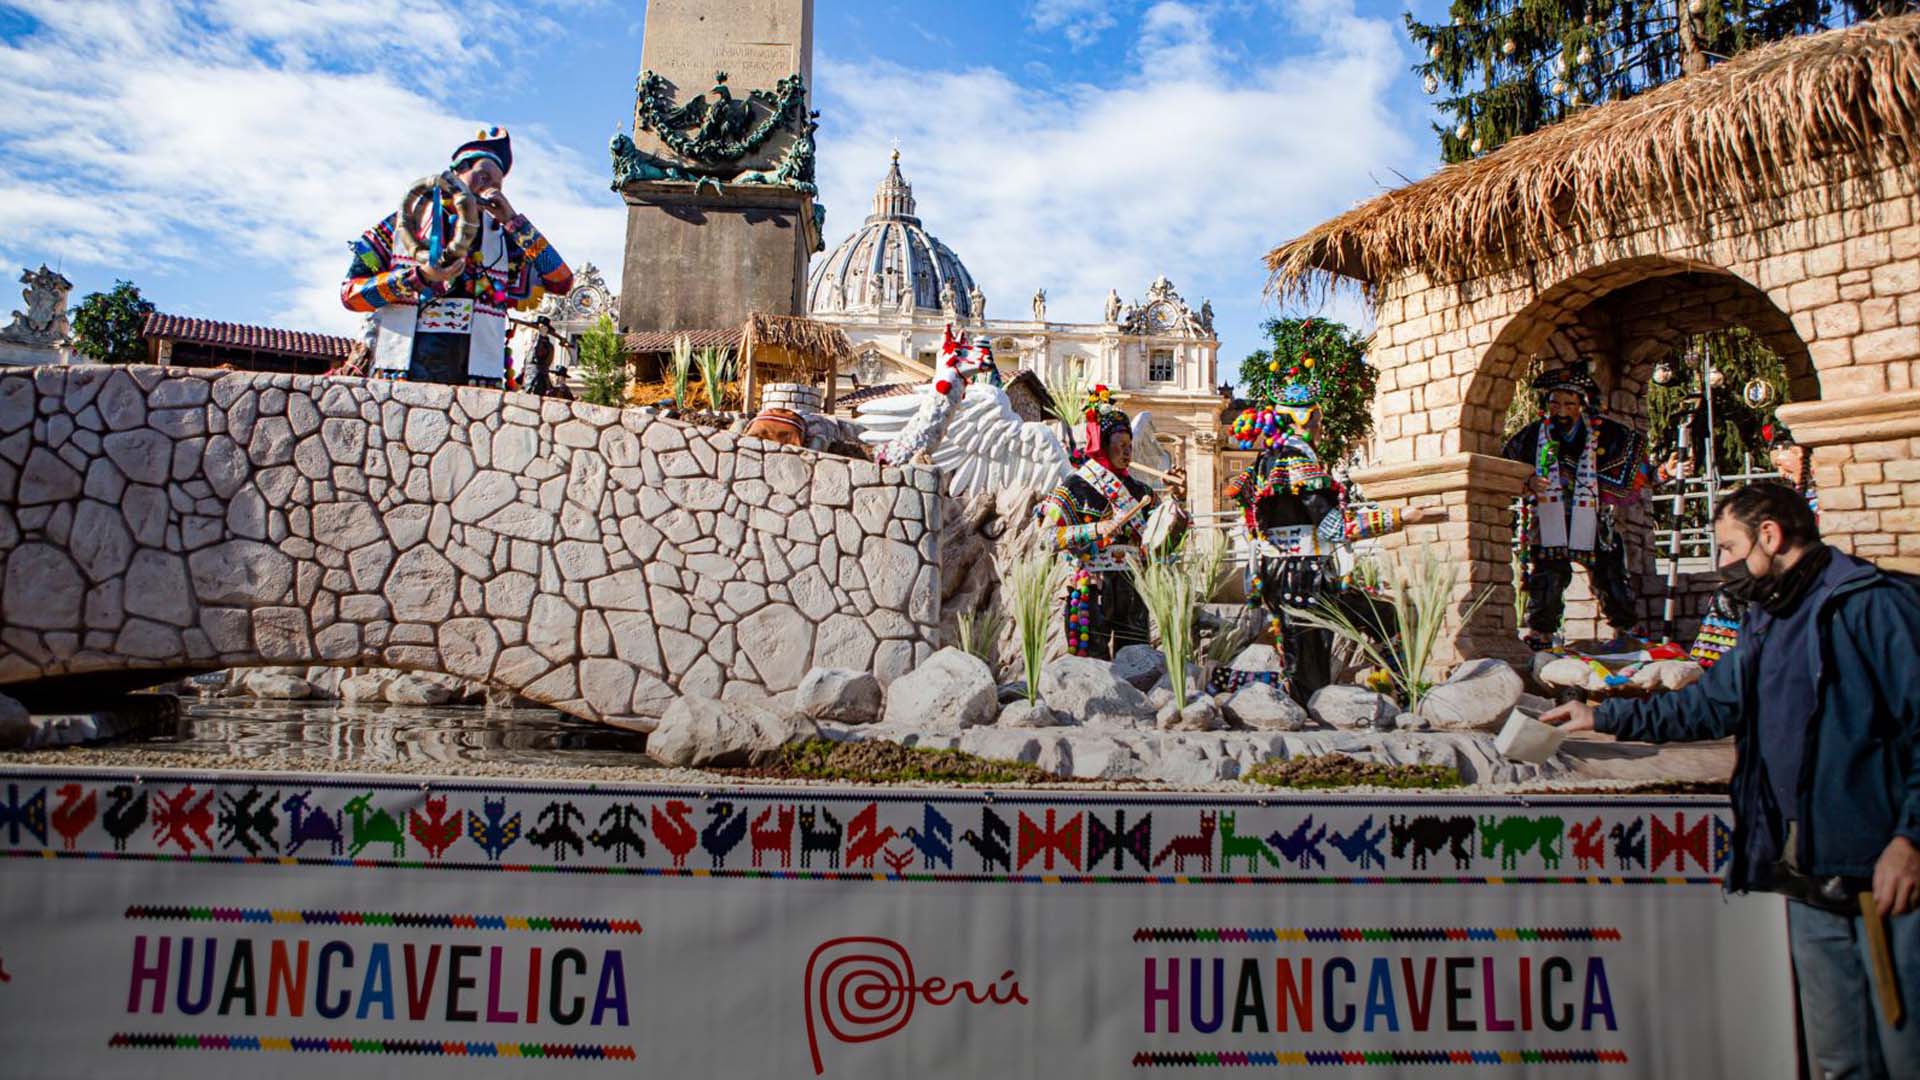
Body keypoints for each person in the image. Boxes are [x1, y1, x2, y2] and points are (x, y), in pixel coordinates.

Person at [1543, 481, 1920, 1077]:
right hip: (1809, 874)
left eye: (1725, 548)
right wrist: (1603, 715)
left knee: (1907, 1054)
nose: (1720, 565)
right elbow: (1709, 707)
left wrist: (1911, 840)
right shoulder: (1768, 620)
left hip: (1886, 875)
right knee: (1839, 1059)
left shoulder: (1872, 605)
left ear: (1769, 536)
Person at [1225, 380, 1444, 702]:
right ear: (1303, 421)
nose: (1321, 430)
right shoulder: (1297, 465)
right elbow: (1334, 527)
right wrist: (1400, 517)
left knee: (1306, 663)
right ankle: (1402, 695)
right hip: (1303, 577)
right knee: (1313, 667)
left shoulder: (1265, 462)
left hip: (1281, 573)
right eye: (1317, 421)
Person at [343, 127, 574, 388]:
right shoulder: (403, 226)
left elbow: (561, 281)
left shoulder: (503, 244)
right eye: (482, 176)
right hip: (398, 377)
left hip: (475, 384)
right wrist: (418, 277)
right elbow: (350, 295)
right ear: (456, 173)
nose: (487, 188)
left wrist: (513, 222)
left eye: (496, 186)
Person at [1502, 362, 1654, 651]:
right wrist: (1529, 480)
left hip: (1593, 518)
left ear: (1581, 406)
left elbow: (1636, 464)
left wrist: (1664, 472)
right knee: (1548, 574)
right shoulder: (1532, 435)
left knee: (1610, 571)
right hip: (1548, 518)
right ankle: (1542, 634)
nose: (1560, 410)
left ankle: (1627, 628)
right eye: (1554, 402)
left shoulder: (1604, 433)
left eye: (1569, 403)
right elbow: (1506, 466)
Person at [1035, 386, 1188, 660]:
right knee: (1092, 665)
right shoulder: (1075, 487)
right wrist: (1094, 529)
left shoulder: (1141, 492)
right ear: (1103, 446)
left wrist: (1177, 503)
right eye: (1120, 446)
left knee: (1137, 658)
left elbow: (1162, 544)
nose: (1128, 453)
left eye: (1129, 446)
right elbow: (1046, 538)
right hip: (1092, 587)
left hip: (1133, 585)